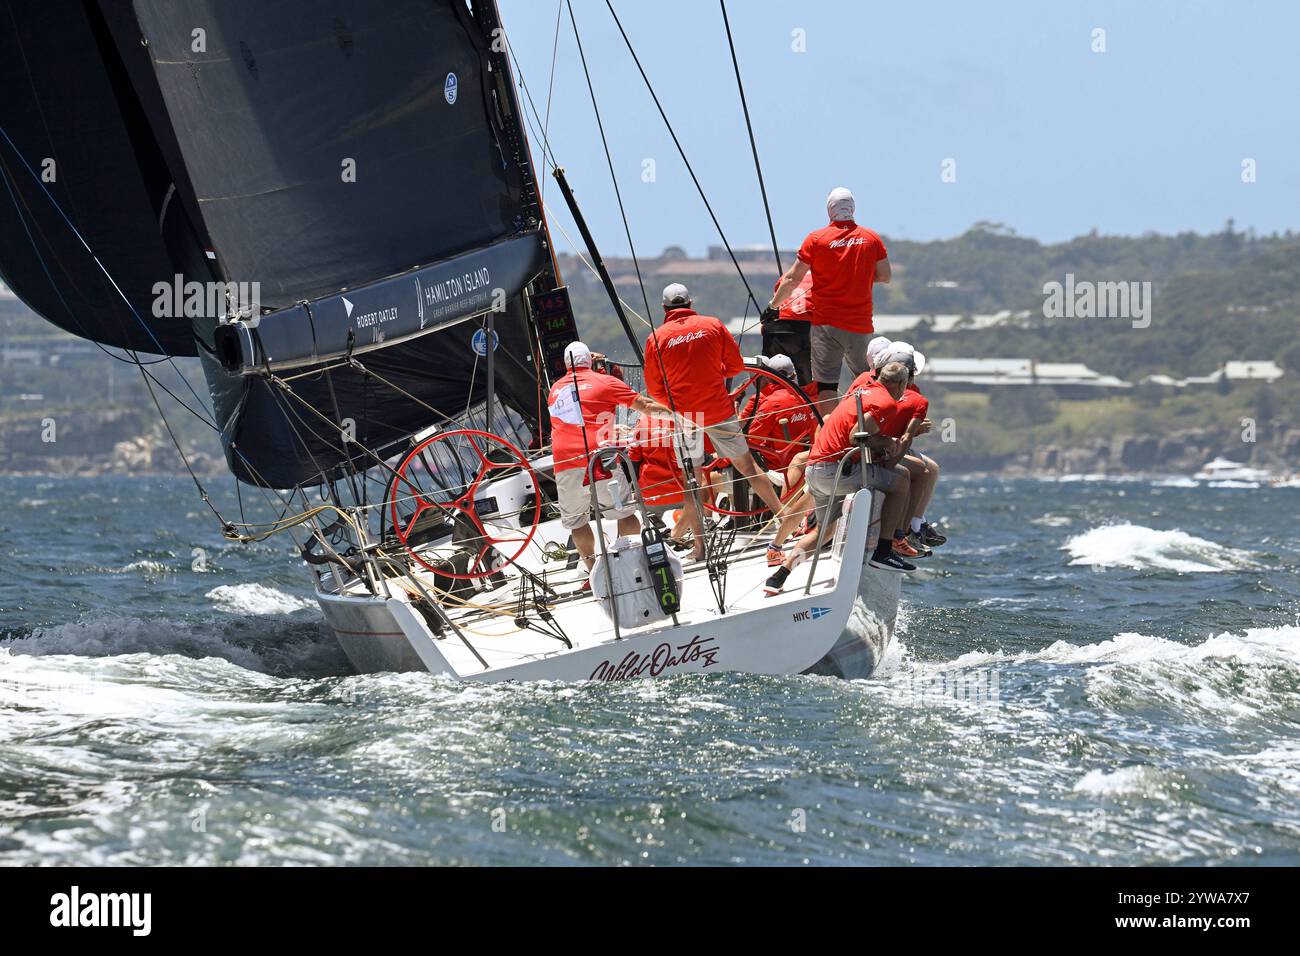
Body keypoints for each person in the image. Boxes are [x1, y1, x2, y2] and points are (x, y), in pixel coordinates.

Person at [643, 282, 786, 559]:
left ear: (664, 309)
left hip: (685, 417)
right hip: (719, 409)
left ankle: (700, 548)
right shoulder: (712, 325)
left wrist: (674, 404)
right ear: (690, 303)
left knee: (692, 482)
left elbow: (655, 389)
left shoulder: (656, 338)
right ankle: (783, 519)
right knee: (748, 467)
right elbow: (734, 367)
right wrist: (713, 374)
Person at [764, 361, 916, 595]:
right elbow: (857, 437)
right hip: (834, 472)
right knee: (901, 480)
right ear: (900, 385)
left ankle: (779, 576)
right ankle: (885, 550)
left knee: (824, 531)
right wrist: (889, 443)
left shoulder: (861, 390)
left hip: (814, 471)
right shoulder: (886, 401)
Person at [765, 187, 890, 414]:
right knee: (866, 380)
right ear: (852, 209)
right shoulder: (871, 238)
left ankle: (829, 434)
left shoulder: (816, 239)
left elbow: (792, 278)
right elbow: (885, 276)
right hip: (860, 323)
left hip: (826, 325)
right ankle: (864, 429)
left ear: (829, 211)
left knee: (826, 386)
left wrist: (773, 306)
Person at [547, 341, 669, 573]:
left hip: (565, 460)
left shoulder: (554, 391)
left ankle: (595, 572)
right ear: (590, 362)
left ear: (565, 365)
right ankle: (629, 562)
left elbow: (581, 412)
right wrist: (678, 415)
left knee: (577, 521)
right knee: (623, 512)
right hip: (600, 456)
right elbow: (644, 406)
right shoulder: (605, 381)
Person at [865, 341, 947, 554]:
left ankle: (918, 525)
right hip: (880, 448)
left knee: (932, 468)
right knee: (919, 471)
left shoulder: (867, 384)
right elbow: (902, 436)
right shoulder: (910, 397)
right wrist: (890, 462)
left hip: (880, 445)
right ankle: (902, 534)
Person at [761, 271, 814, 387]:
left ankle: (767, 401)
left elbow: (775, 302)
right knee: (806, 382)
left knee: (770, 377)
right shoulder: (822, 277)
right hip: (801, 331)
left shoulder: (787, 275)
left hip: (773, 329)